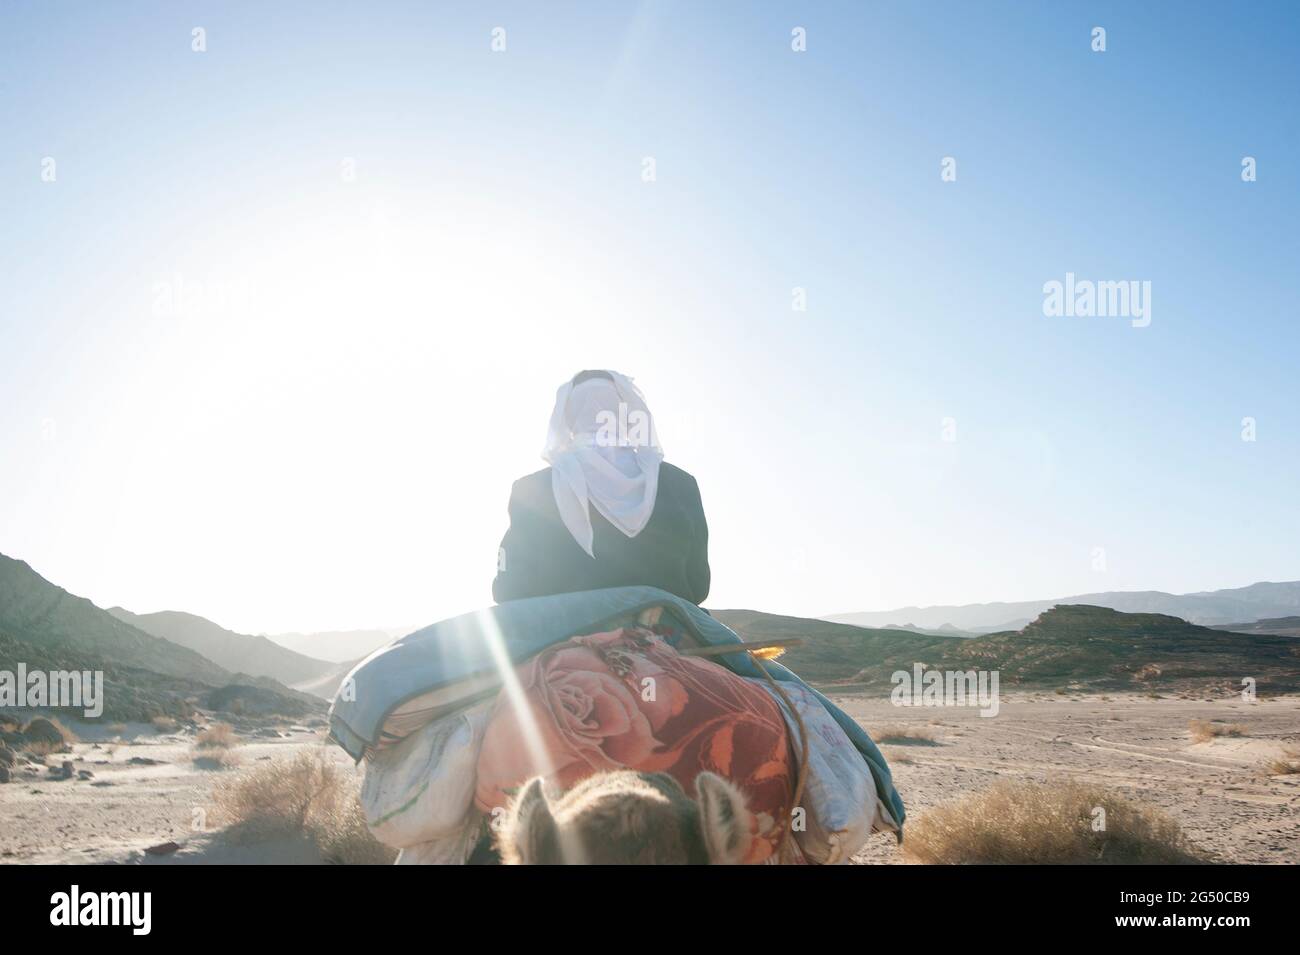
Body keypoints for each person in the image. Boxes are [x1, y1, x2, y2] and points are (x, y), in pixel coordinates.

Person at [492, 370, 710, 606]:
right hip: (670, 630)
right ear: (626, 412)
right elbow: (699, 584)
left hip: (563, 631)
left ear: (567, 415)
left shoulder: (532, 488)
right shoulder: (680, 483)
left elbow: (510, 587)